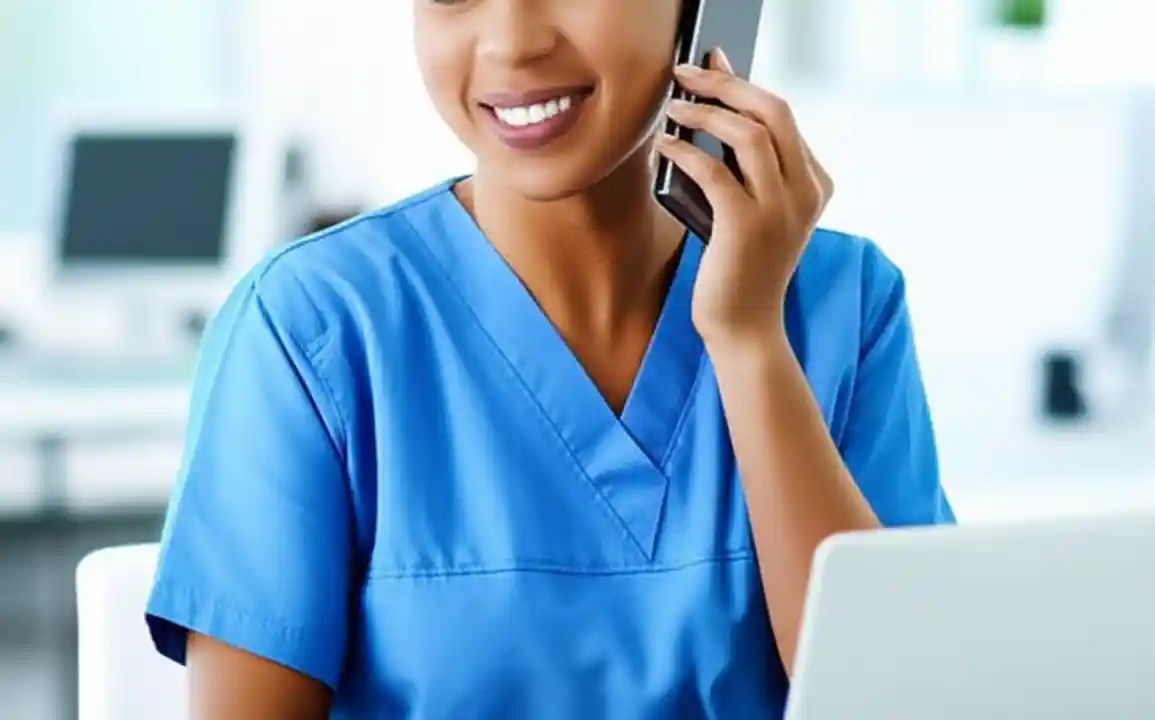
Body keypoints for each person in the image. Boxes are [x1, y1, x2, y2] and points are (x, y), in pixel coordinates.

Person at [145, 1, 954, 717]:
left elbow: (900, 699)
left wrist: (748, 340)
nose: (511, 42)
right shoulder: (312, 327)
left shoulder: (845, 306)